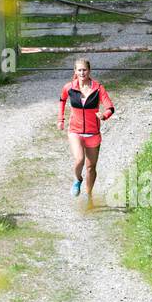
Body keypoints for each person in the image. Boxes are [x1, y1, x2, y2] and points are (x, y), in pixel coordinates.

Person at [57, 58, 114, 208]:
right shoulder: (69, 87)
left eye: (85, 70)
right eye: (79, 70)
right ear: (75, 71)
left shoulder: (98, 88)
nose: (82, 73)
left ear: (89, 71)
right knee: (79, 160)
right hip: (75, 131)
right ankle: (77, 180)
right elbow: (62, 100)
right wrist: (60, 119)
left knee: (91, 167)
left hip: (93, 133)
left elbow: (110, 107)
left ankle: (89, 196)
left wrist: (104, 115)